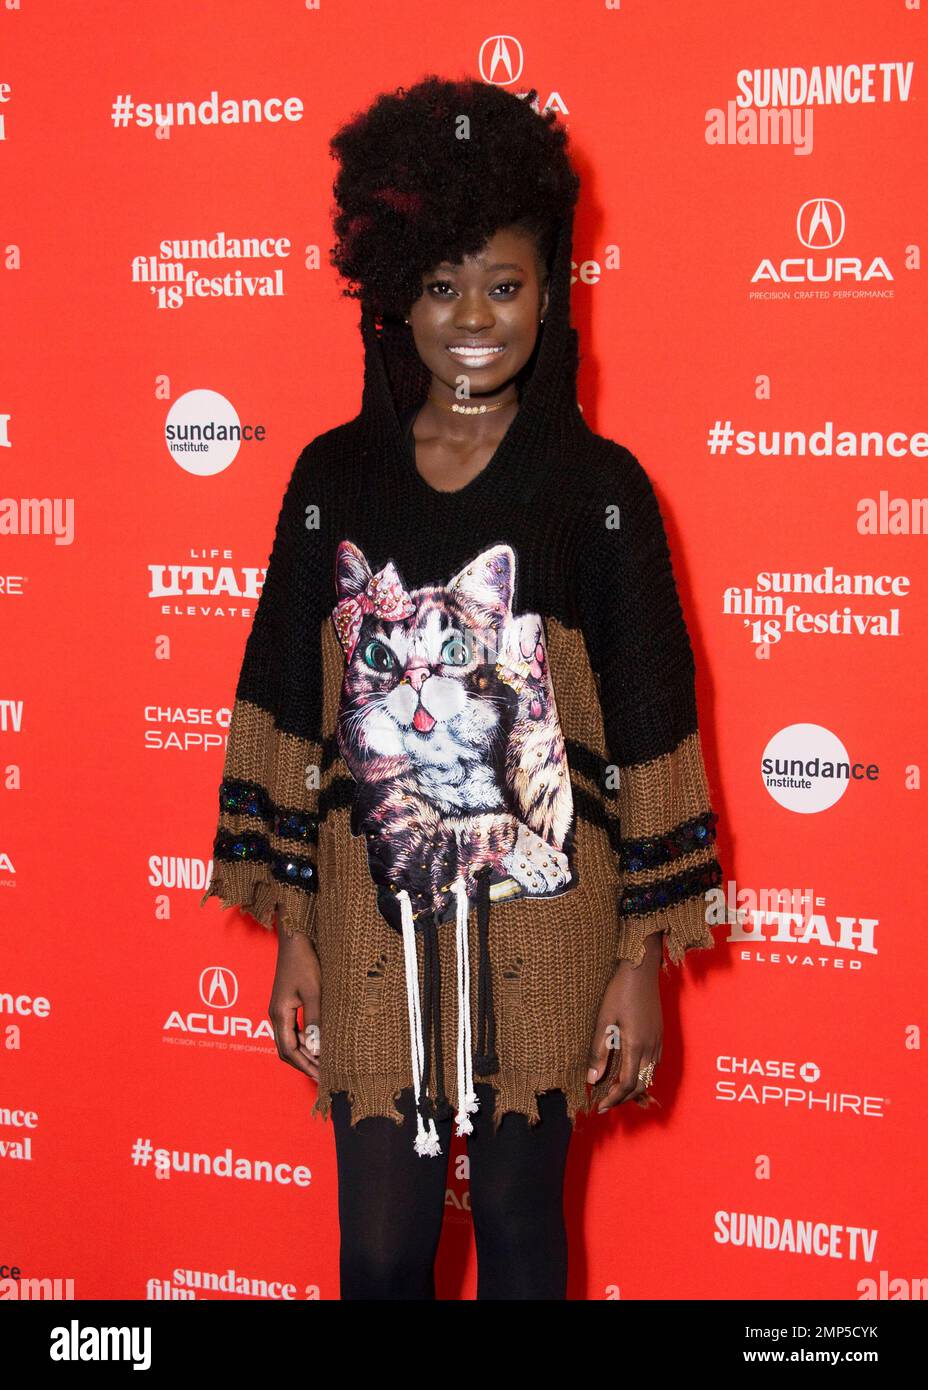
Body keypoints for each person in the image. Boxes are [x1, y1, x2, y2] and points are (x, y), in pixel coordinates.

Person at [201, 76, 723, 1301]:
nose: (474, 318)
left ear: (551, 292)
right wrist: (295, 928)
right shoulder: (333, 480)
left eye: (505, 284)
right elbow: (285, 699)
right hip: (368, 923)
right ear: (394, 295)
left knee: (520, 1233)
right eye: (442, 286)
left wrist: (639, 958)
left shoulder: (597, 491)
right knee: (381, 1250)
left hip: (552, 922)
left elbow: (651, 720)